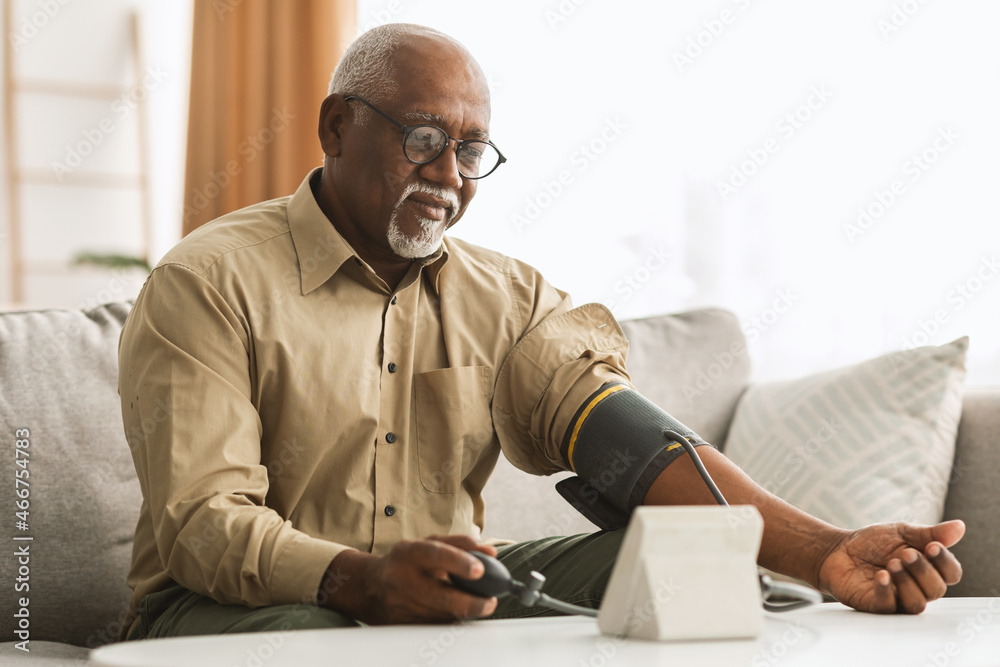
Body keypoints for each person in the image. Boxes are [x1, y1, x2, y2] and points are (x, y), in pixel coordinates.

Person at [117, 23, 964, 640]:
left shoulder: (507, 295)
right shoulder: (207, 282)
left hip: (435, 586)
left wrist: (824, 553)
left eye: (472, 148)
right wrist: (365, 580)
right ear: (338, 126)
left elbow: (634, 447)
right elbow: (203, 526)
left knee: (687, 569)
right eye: (422, 139)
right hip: (224, 605)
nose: (448, 176)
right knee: (320, 631)